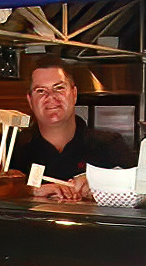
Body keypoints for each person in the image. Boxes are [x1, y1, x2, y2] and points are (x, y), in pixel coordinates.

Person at [10, 56, 136, 201]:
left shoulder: (109, 145)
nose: (51, 97)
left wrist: (102, 183)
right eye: (40, 91)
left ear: (74, 94)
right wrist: (30, 191)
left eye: (59, 88)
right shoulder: (12, 148)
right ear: (30, 100)